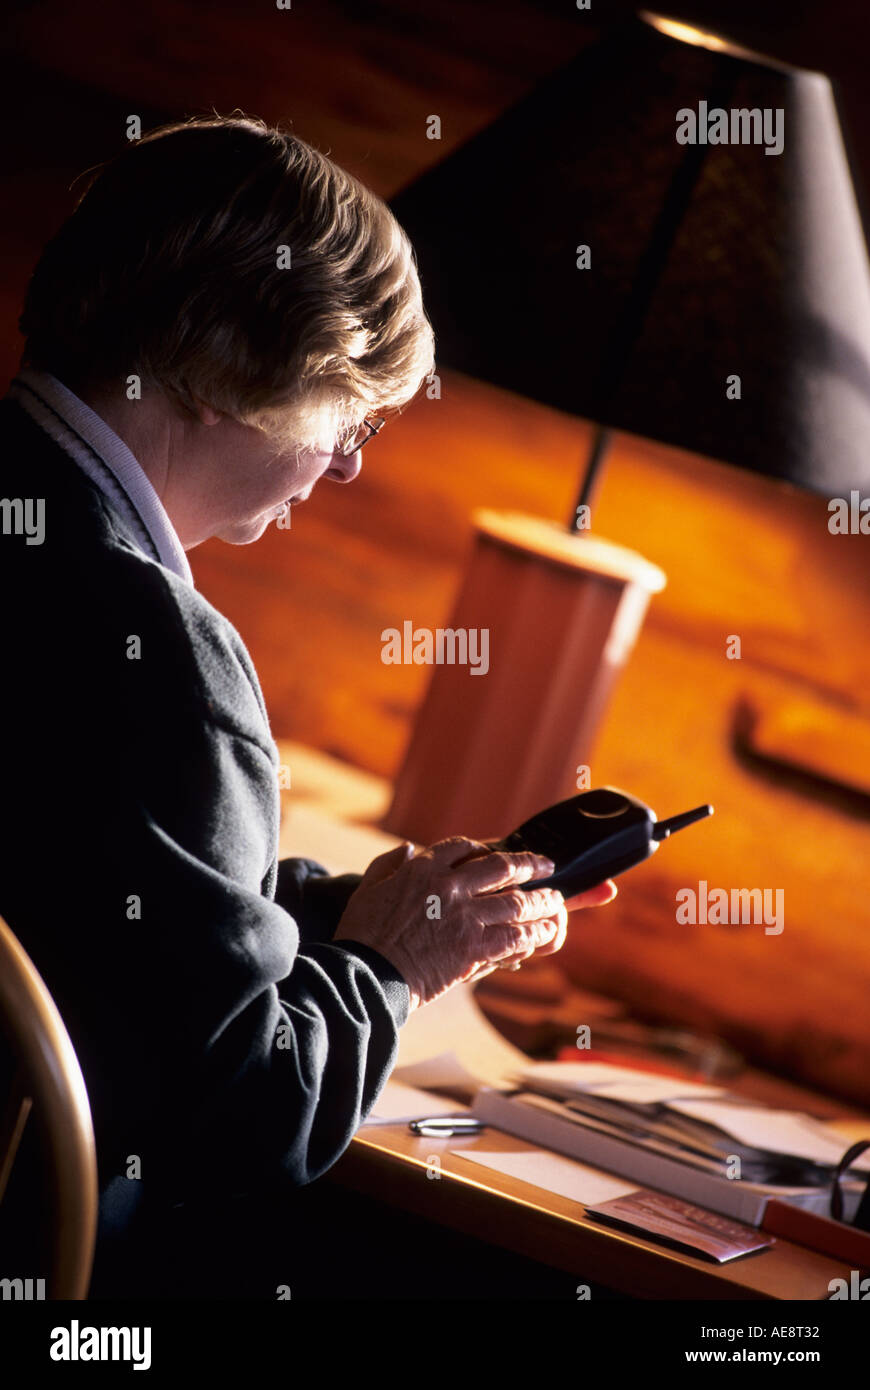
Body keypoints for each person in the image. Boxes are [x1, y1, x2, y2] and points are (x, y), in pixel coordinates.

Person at [0, 114, 616, 1298]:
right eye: (353, 414)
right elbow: (239, 1116)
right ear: (227, 365)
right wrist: (394, 969)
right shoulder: (166, 663)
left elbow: (76, 899)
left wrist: (350, 915)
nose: (347, 468)